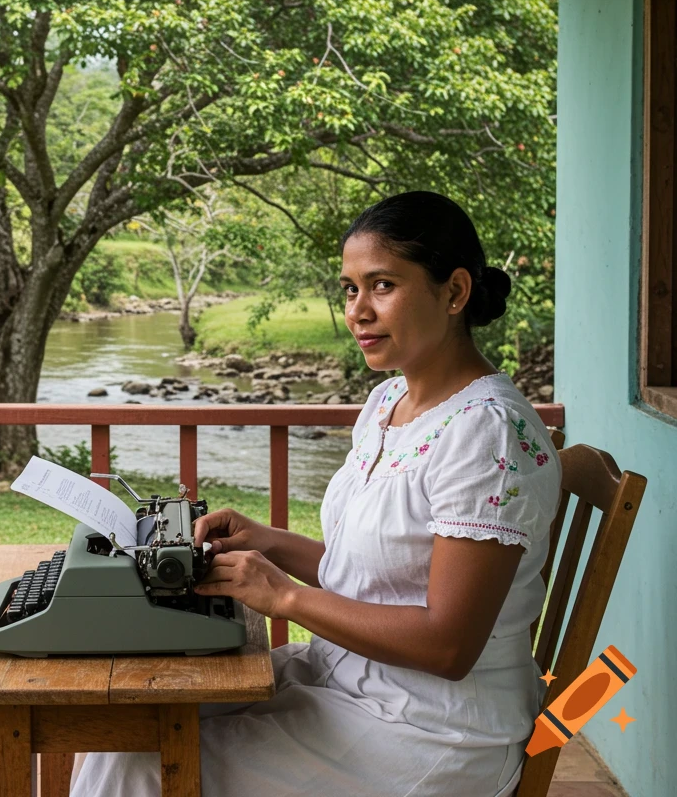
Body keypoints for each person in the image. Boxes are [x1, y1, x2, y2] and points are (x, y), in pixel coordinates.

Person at [73, 191, 562, 797]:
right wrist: (269, 542)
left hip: (431, 728)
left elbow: (449, 645)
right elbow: (376, 572)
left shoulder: (487, 432)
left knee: (146, 762)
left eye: (382, 285)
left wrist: (283, 598)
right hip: (345, 676)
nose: (358, 310)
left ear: (455, 292)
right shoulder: (390, 403)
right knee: (121, 727)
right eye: (350, 288)